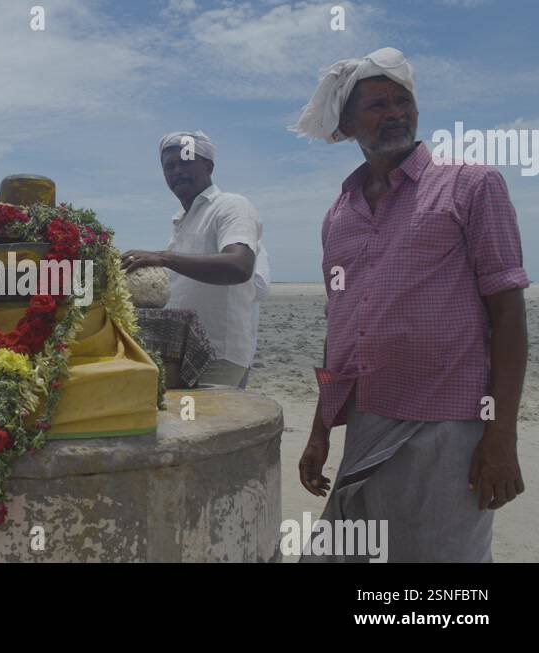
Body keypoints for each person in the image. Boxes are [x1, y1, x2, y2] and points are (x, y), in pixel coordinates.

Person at [292, 47, 527, 561]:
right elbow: (343, 330)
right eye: (377, 105)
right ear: (347, 124)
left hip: (451, 428)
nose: (396, 113)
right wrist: (319, 432)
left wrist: (501, 438)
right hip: (368, 422)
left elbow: (508, 313)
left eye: (404, 100)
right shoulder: (339, 214)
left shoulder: (472, 185)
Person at [122, 130, 269, 388]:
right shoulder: (181, 220)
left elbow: (239, 266)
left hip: (219, 356)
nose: (177, 170)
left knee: (210, 424)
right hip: (180, 355)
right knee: (185, 424)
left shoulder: (231, 206)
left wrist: (162, 258)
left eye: (186, 161)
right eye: (169, 166)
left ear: (209, 166)